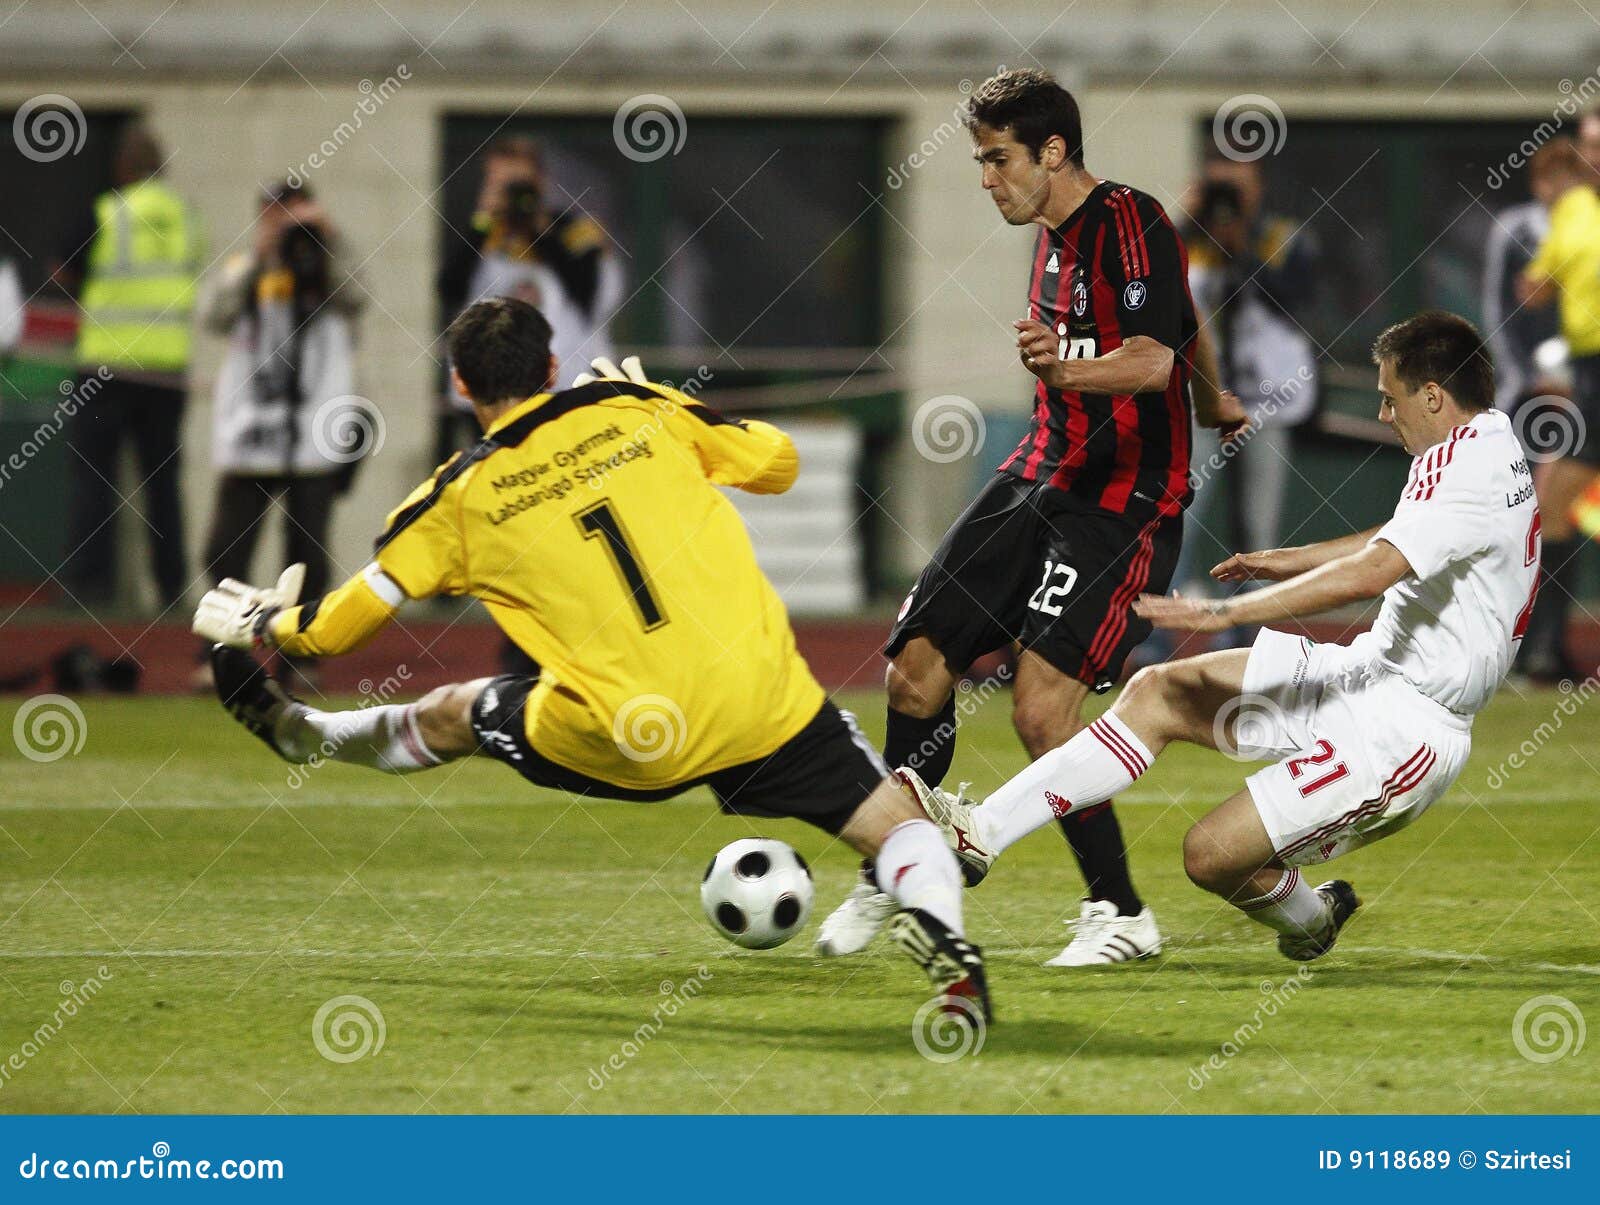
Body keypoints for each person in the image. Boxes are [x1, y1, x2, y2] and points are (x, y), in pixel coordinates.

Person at [192, 297, 988, 1026]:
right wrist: (675, 404)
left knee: (458, 711)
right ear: (552, 366)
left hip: (623, 735)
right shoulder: (635, 408)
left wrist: (274, 622)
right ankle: (950, 953)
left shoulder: (456, 498)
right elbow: (778, 464)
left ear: (462, 384)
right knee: (896, 828)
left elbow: (339, 628)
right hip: (758, 703)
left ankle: (299, 733)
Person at [902, 312, 1537, 961]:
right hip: (1367, 672)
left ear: (1433, 395)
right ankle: (981, 831)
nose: (1382, 413)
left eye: (1389, 396)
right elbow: (1402, 534)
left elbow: (1376, 570)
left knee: (1209, 856)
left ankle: (1312, 915)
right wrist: (1290, 557)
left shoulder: (1463, 464)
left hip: (1402, 734)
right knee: (1160, 691)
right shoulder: (1489, 439)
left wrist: (1224, 614)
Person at [815, 68, 1245, 967]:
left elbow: (1149, 358)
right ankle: (892, 866)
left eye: (996, 158)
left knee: (1043, 712)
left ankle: (1121, 912)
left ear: (1053, 152)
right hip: (1040, 472)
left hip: (1123, 499)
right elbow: (1184, 327)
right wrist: (1217, 398)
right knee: (915, 670)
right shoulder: (1046, 234)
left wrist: (1076, 377)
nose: (985, 178)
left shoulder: (1132, 221)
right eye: (978, 159)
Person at [193, 180, 368, 691]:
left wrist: (328, 237)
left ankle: (299, 657)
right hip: (251, 431)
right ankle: (220, 651)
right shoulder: (248, 268)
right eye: (277, 216)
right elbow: (213, 314)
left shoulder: (328, 266)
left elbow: (360, 294)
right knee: (226, 549)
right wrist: (262, 252)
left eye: (296, 215)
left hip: (314, 432)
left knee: (307, 552)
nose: (290, 228)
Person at [56, 123, 203, 607]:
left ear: (123, 167)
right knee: (163, 485)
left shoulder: (107, 211)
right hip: (166, 370)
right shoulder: (186, 216)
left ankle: (88, 590)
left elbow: (62, 270)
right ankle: (172, 589)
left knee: (94, 480)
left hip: (107, 366)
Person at [1176, 172, 1319, 648]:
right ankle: (1160, 630)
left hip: (1269, 401)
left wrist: (1245, 248)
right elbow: (1154, 282)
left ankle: (1248, 634)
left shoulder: (1279, 235)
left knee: (1259, 526)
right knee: (1183, 512)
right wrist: (1186, 218)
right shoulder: (1191, 241)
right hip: (1207, 399)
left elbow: (1295, 294)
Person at [436, 136, 622, 455]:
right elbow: (449, 287)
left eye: (518, 185)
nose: (512, 196)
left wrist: (538, 228)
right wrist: (483, 220)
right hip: (492, 392)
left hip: (564, 387)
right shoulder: (482, 236)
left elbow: (589, 294)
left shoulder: (572, 231)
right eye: (500, 183)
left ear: (541, 182)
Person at [1515, 137, 1600, 683]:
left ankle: (1545, 653)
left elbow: (1531, 291)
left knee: (1549, 511)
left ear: (1547, 184)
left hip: (1595, 371)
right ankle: (1551, 654)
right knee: (1561, 510)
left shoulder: (1565, 219)